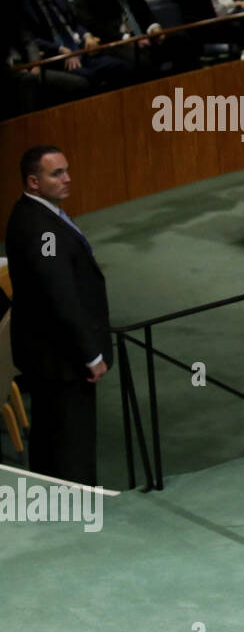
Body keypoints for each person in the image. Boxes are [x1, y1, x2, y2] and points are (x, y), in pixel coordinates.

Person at [5, 145, 111, 486]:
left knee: (52, 437)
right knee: (70, 445)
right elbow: (60, 295)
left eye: (66, 170)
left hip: (47, 355)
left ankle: (56, 504)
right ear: (34, 182)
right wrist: (90, 353)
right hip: (62, 358)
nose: (67, 179)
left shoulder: (33, 214)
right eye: (56, 174)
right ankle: (78, 514)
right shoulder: (42, 228)